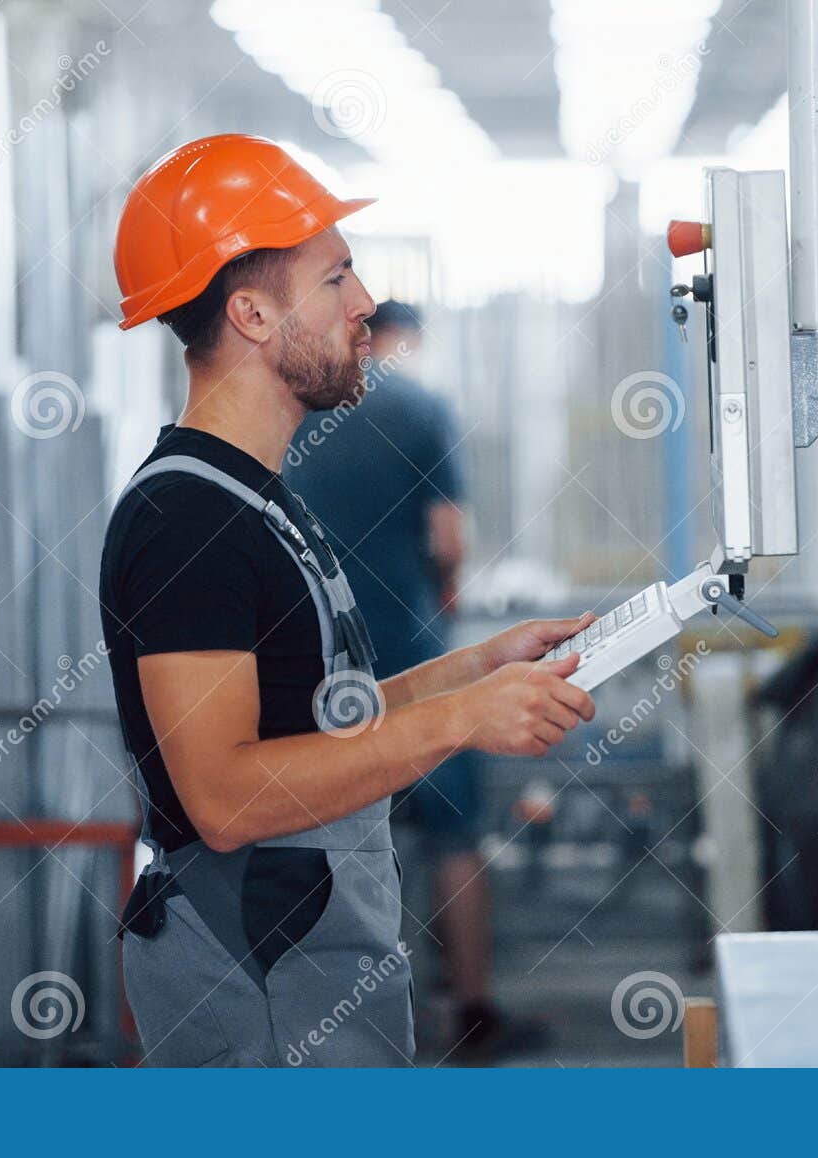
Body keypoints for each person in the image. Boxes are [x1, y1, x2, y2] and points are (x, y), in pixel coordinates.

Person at [99, 134, 597, 1067]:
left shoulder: (257, 496)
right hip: (258, 978)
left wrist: (477, 674)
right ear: (250, 313)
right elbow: (224, 797)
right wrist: (457, 721)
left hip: (306, 963)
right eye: (336, 280)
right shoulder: (184, 519)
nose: (365, 306)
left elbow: (324, 722)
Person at [286, 302, 539, 1060]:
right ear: (413, 341)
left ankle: (331, 1028)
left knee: (323, 830)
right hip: (410, 645)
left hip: (317, 657)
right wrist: (446, 592)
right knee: (453, 834)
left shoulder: (294, 413)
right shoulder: (422, 407)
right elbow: (449, 536)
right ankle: (472, 1008)